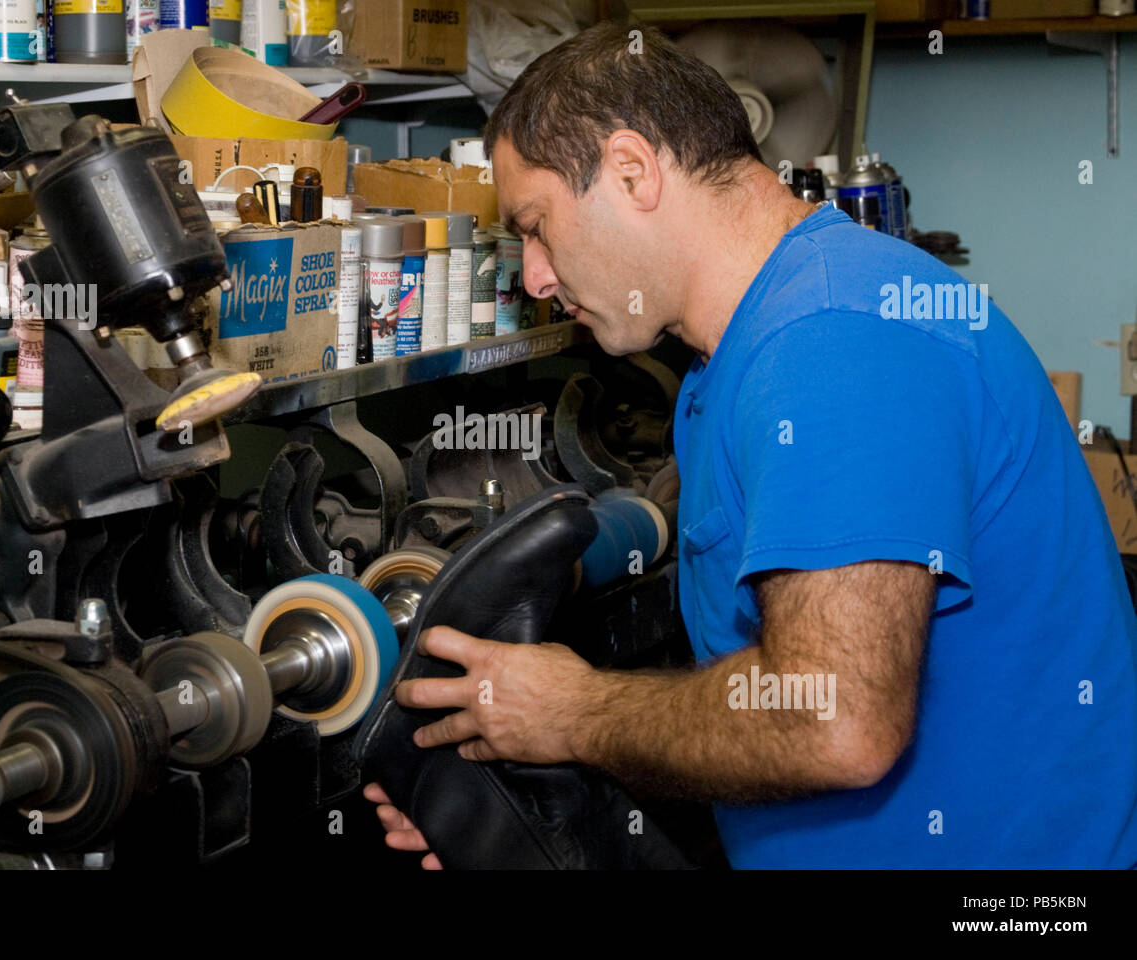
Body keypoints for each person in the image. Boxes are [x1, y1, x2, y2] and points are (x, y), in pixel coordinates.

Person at [365, 22, 1137, 869]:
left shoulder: (834, 340)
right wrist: (543, 811)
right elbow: (755, 720)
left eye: (538, 226)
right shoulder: (744, 350)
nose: (537, 277)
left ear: (632, 170)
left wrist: (574, 713)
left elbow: (834, 721)